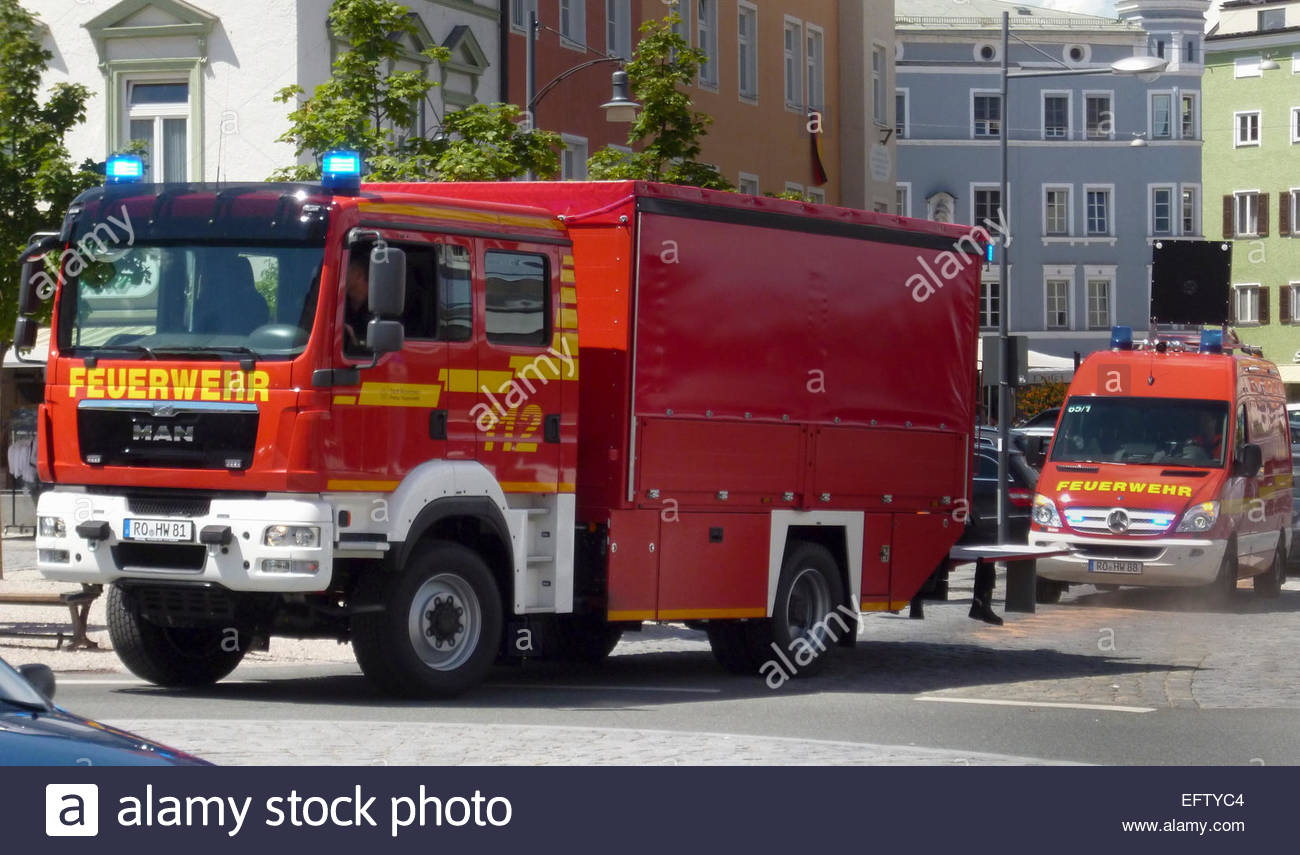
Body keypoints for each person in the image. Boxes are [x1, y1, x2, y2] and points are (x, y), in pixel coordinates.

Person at [343, 253, 369, 352]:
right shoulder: (339, 305)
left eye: (344, 270)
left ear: (359, 275)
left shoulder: (381, 308)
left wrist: (354, 342)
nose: (340, 275)